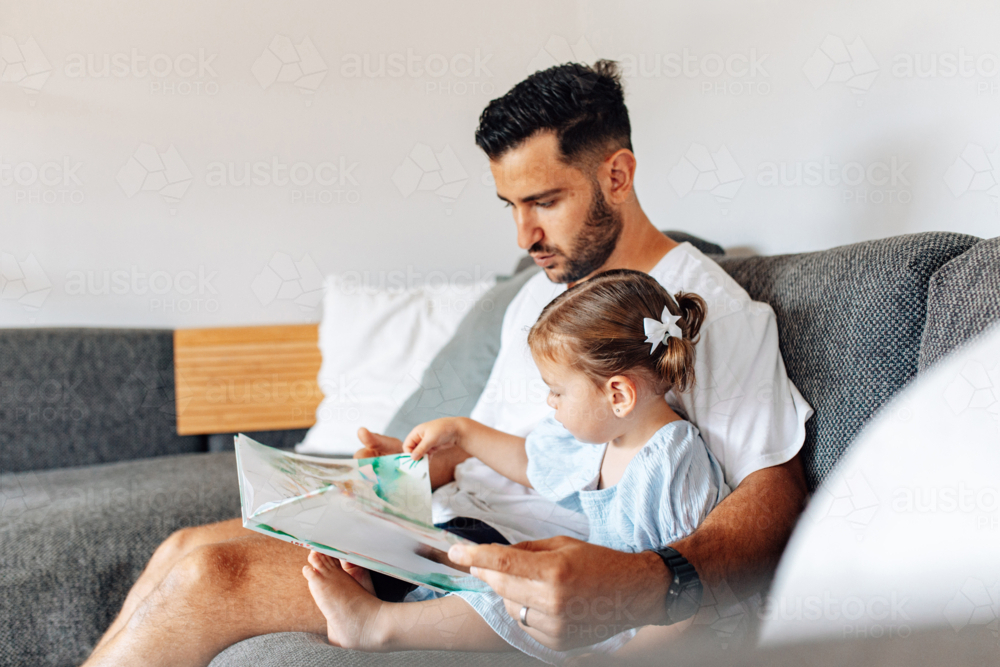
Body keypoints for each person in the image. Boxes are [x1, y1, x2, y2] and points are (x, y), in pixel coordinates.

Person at [84, 60, 811, 666]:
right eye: (509, 205)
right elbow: (492, 450)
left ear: (616, 174)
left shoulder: (709, 308)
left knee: (211, 578)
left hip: (505, 562)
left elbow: (773, 488)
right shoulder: (540, 296)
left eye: (545, 200)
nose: (525, 233)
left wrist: (652, 582)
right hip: (439, 525)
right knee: (186, 544)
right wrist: (399, 472)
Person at [301, 271, 728, 663]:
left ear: (618, 394)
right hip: (596, 591)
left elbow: (693, 595)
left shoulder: (672, 465)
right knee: (483, 556)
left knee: (504, 599)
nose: (550, 402)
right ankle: (404, 576)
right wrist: (463, 432)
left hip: (635, 626)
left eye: (558, 391)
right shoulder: (613, 436)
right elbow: (534, 462)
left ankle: (375, 625)